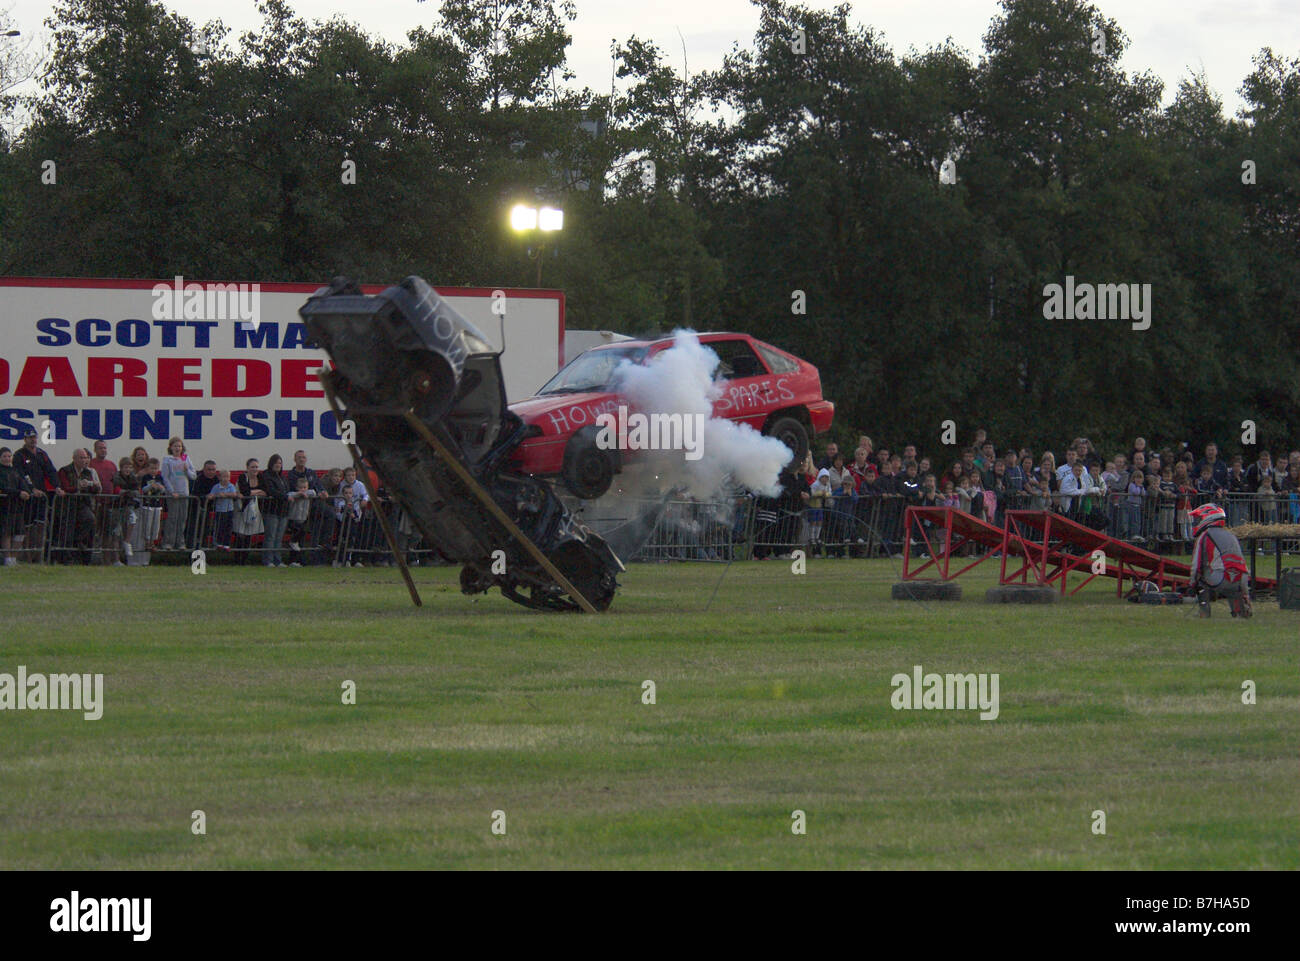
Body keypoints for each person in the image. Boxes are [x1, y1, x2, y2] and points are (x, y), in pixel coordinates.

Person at [1188, 504, 1251, 618]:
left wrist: (1192, 584)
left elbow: (1196, 565)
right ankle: (1240, 611)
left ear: (1207, 518)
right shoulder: (1231, 535)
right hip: (1241, 578)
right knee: (1233, 588)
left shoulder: (1204, 536)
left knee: (1200, 580)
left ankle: (1204, 612)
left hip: (1221, 578)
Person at [13, 429, 59, 562]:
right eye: (30, 438)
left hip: (41, 497)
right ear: (25, 439)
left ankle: (38, 556)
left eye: (34, 437)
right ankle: (26, 557)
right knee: (27, 528)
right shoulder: (19, 455)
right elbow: (21, 475)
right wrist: (31, 489)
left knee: (40, 526)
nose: (33, 440)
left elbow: (50, 471)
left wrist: (57, 486)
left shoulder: (41, 454)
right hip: (27, 498)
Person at [57, 448, 101, 564]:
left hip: (82, 504)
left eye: (86, 457)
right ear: (74, 458)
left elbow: (94, 490)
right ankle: (66, 558)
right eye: (81, 458)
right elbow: (65, 486)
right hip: (67, 504)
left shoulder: (88, 472)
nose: (84, 460)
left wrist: (93, 485)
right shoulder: (65, 470)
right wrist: (78, 487)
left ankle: (78, 543)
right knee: (67, 531)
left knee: (90, 519)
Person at [159, 436, 197, 550]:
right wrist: (171, 491)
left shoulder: (186, 458)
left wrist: (187, 470)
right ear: (171, 447)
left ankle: (180, 542)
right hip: (173, 493)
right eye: (175, 446)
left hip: (184, 492)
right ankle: (168, 542)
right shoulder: (167, 459)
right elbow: (165, 477)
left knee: (182, 518)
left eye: (179, 446)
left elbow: (193, 476)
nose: (177, 448)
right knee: (172, 518)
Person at [0, 447, 34, 566]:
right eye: (4, 456)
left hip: (17, 507)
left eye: (9, 456)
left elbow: (23, 483)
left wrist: (26, 492)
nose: (7, 459)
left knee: (20, 533)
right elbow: (3, 488)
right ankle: (7, 558)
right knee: (7, 533)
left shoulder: (15, 471)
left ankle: (14, 558)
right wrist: (18, 493)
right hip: (4, 507)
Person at [260, 454, 290, 567]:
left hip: (283, 511)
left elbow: (287, 490)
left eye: (280, 463)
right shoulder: (266, 475)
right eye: (276, 463)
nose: (278, 465)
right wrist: (285, 497)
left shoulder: (283, 477)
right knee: (270, 536)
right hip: (271, 511)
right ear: (271, 463)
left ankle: (278, 560)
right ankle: (268, 560)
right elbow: (271, 490)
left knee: (279, 537)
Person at [234, 459, 267, 563]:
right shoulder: (243, 477)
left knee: (249, 534)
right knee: (240, 534)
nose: (255, 469)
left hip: (253, 510)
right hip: (241, 509)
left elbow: (266, 491)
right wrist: (258, 491)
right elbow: (245, 491)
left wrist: (252, 492)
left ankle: (244, 558)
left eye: (256, 467)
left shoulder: (260, 477)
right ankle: (237, 558)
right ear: (247, 468)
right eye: (252, 467)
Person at [207, 470, 239, 550]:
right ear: (219, 477)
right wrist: (214, 496)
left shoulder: (231, 486)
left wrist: (225, 495)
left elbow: (234, 494)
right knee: (220, 528)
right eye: (224, 476)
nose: (226, 479)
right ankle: (219, 543)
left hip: (229, 510)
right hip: (220, 511)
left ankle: (226, 544)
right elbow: (211, 495)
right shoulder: (216, 487)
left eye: (227, 477)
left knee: (228, 528)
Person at [285, 475, 314, 566]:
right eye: (301, 487)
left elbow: (313, 492)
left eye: (305, 487)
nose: (303, 489)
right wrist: (299, 494)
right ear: (297, 487)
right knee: (296, 539)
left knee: (300, 542)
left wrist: (306, 493)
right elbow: (289, 495)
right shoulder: (294, 494)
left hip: (303, 519)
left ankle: (299, 560)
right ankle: (292, 560)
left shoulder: (308, 493)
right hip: (293, 519)